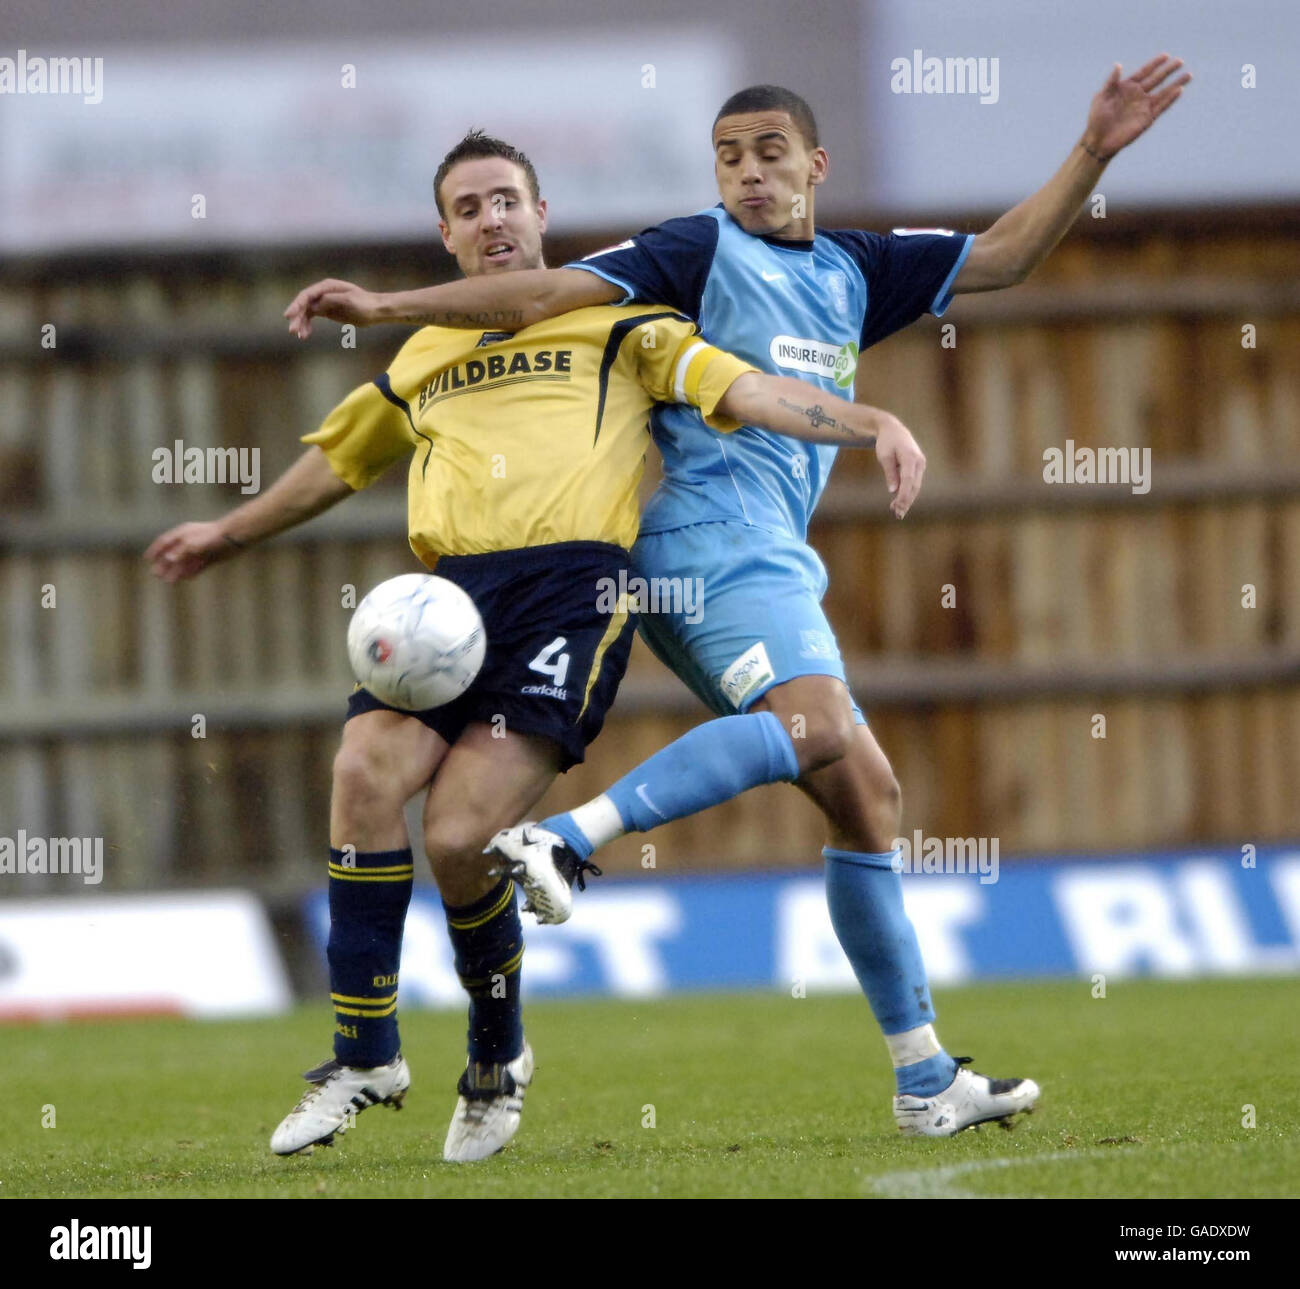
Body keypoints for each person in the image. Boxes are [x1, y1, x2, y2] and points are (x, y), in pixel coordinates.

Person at [283, 58, 1189, 1138]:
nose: (748, 176)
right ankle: (568, 839)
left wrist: (1093, 149)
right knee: (811, 726)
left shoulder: (860, 266)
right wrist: (387, 303)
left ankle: (923, 1076)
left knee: (867, 797)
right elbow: (536, 293)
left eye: (768, 155)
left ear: (816, 163)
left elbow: (1000, 258)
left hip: (763, 553)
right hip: (702, 547)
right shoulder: (690, 249)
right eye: (728, 158)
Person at [148, 130, 925, 1163]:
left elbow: (743, 390)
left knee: (463, 837)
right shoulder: (424, 351)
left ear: (542, 214)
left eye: (506, 199)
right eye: (468, 208)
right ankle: (365, 1052)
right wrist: (227, 531)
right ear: (446, 232)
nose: (492, 219)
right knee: (365, 773)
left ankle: (495, 1051)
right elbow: (341, 462)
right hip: (442, 603)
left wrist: (862, 416)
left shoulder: (618, 316)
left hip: (568, 590)